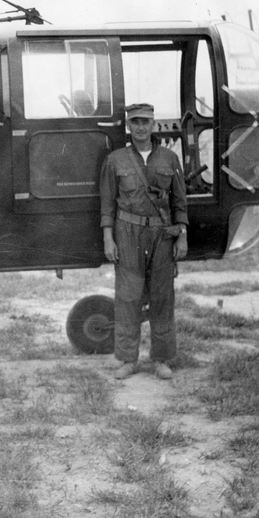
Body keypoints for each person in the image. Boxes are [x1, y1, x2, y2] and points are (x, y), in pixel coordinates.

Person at [99, 103, 189, 380]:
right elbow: (107, 204)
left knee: (162, 296)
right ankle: (128, 359)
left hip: (162, 235)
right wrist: (108, 238)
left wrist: (182, 235)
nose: (140, 127)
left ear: (153, 125)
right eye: (135, 121)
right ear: (128, 125)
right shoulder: (116, 160)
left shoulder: (170, 159)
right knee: (128, 297)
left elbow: (179, 201)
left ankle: (161, 358)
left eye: (145, 122)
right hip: (127, 234)